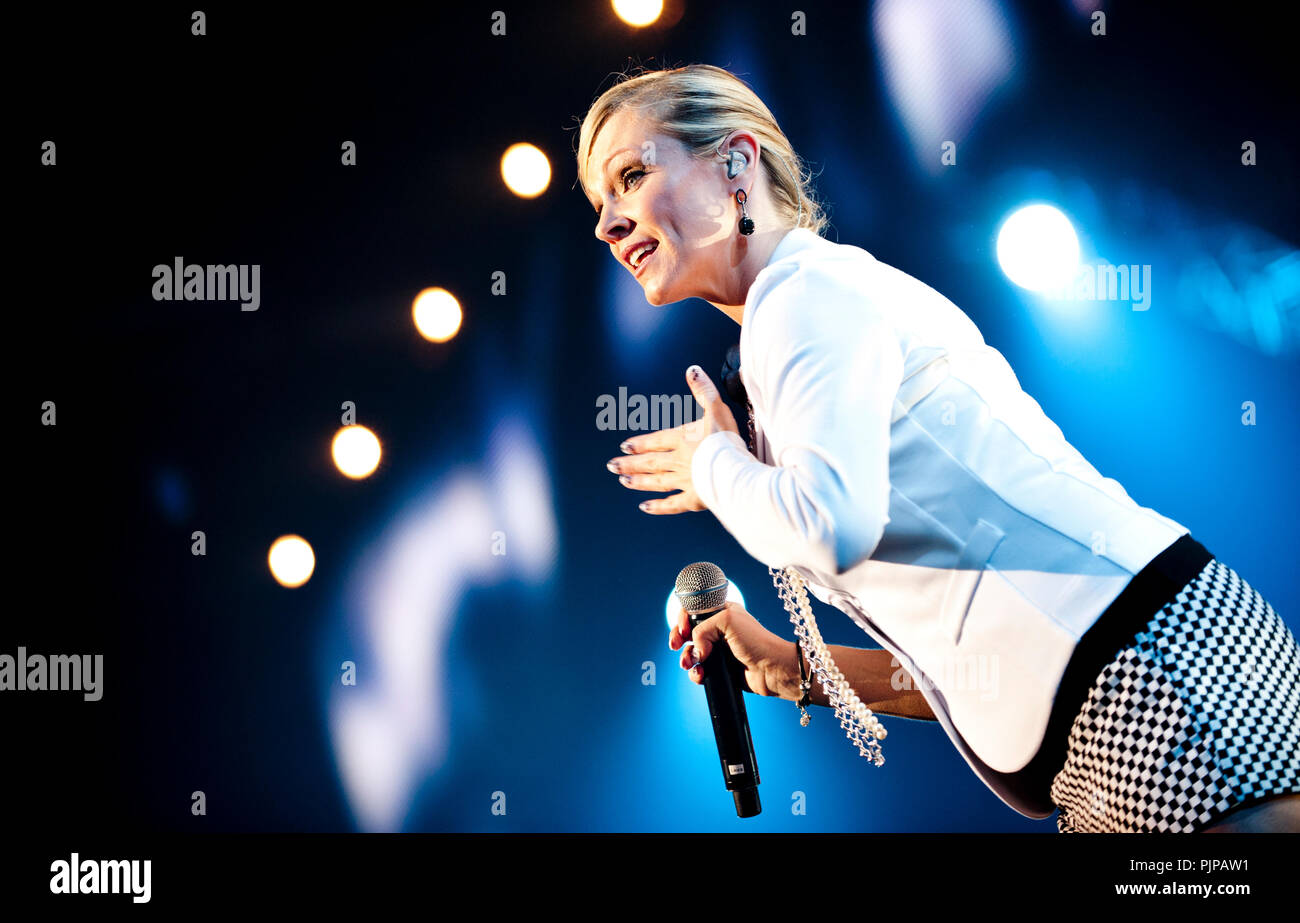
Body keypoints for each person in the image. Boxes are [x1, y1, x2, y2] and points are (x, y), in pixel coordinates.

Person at [580, 63, 1300, 832]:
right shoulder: (793, 320)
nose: (607, 224)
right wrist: (785, 666)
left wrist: (713, 465)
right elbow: (967, 660)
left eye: (631, 176)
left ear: (735, 161)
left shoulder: (803, 297)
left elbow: (832, 525)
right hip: (1107, 712)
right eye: (598, 202)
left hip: (1150, 677)